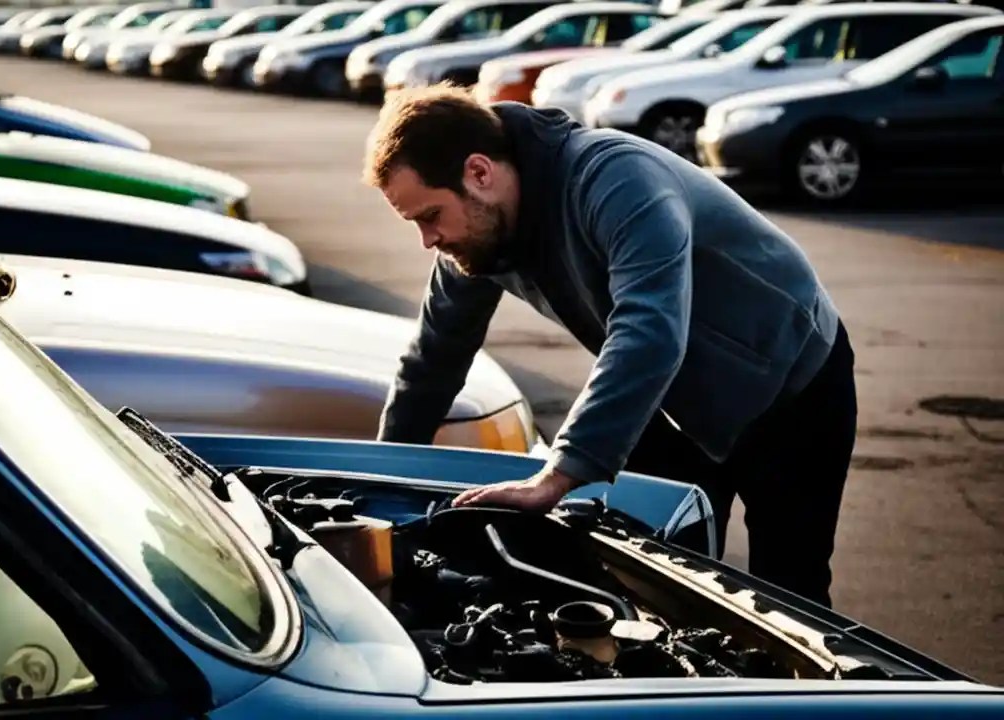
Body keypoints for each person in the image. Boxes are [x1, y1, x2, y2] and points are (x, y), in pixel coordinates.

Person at [361, 83, 857, 608]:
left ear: (479, 173)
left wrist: (558, 474)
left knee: (786, 598)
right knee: (653, 582)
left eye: (429, 216)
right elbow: (432, 361)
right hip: (672, 400)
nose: (428, 240)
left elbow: (649, 330)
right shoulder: (477, 236)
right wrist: (377, 489)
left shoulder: (616, 178)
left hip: (789, 387)